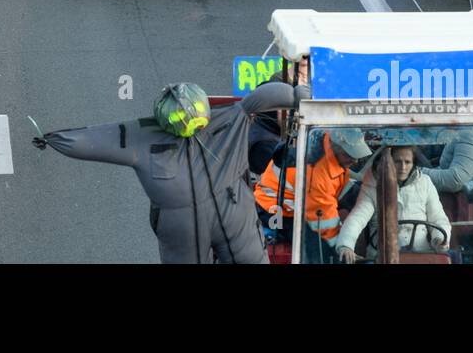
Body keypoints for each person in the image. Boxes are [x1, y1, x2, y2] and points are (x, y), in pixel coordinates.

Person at [35, 80, 306, 263]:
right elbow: (260, 99)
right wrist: (300, 96)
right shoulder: (230, 118)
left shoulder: (142, 136)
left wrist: (55, 139)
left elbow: (98, 139)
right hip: (222, 217)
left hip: (191, 223)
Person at [334, 145, 451, 262]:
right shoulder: (373, 185)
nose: (403, 167)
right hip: (382, 256)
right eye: (397, 162)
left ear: (414, 164)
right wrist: (346, 245)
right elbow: (358, 217)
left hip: (421, 254)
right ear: (387, 162)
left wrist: (439, 240)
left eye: (407, 162)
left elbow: (438, 218)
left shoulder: (425, 183)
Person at [298, 128, 371, 262]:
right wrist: (342, 249)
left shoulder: (331, 143)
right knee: (318, 250)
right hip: (283, 210)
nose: (354, 161)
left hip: (320, 198)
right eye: (349, 155)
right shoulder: (319, 174)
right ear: (337, 149)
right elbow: (324, 222)